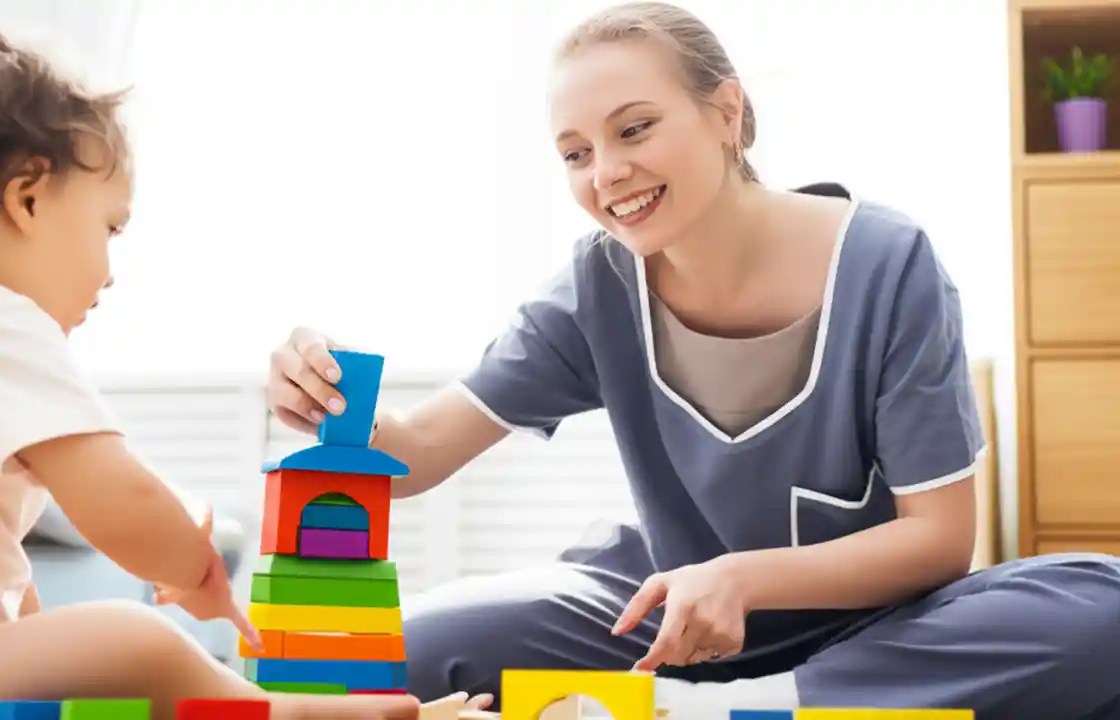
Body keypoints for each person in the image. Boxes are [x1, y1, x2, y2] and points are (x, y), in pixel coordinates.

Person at [267, 3, 1120, 719]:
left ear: (727, 113)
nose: (606, 172)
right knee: (396, 648)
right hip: (657, 621)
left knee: (1102, 608)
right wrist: (326, 387)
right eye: (575, 152)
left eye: (634, 128)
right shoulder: (596, 288)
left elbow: (939, 541)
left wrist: (742, 580)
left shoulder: (888, 263)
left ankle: (739, 707)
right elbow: (411, 454)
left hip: (872, 634)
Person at [0, 31, 449, 720]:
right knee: (134, 641)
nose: (108, 272)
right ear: (28, 199)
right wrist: (195, 569)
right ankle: (279, 713)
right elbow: (121, 499)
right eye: (109, 229)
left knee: (63, 648)